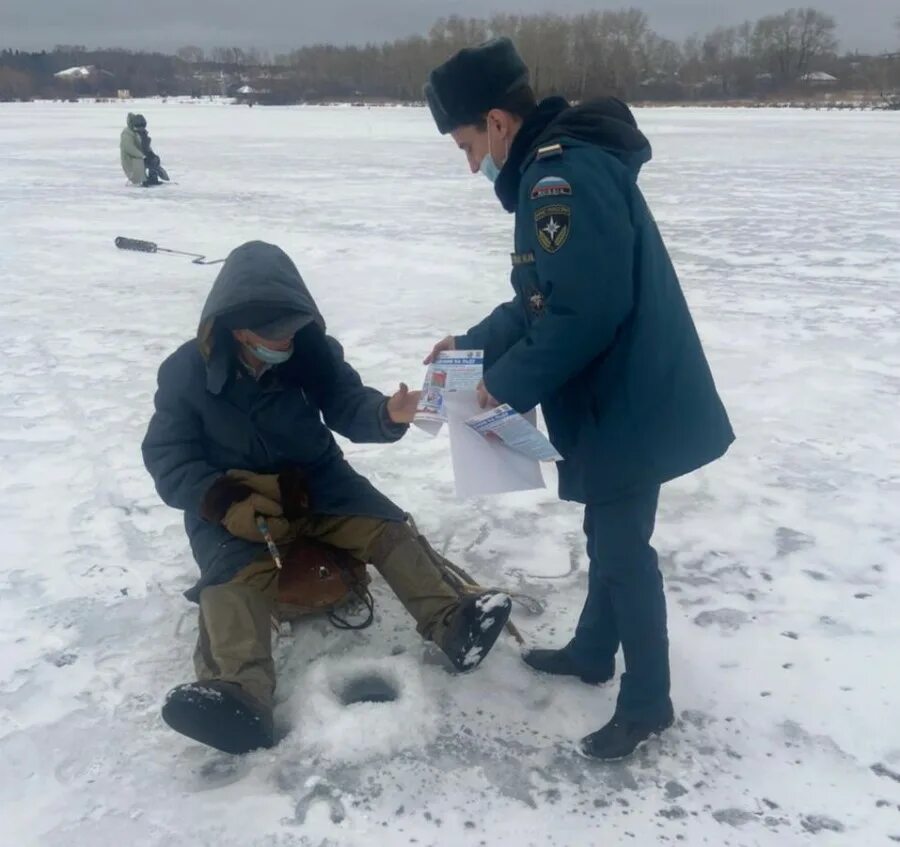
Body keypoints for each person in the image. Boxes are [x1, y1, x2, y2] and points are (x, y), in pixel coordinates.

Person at [423, 38, 734, 760]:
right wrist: (468, 347)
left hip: (627, 399)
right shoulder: (552, 167)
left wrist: (500, 386)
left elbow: (584, 315)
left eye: (469, 143)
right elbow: (538, 301)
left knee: (624, 549)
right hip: (617, 394)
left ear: (498, 122)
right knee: (609, 534)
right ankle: (595, 651)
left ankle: (648, 702)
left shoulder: (559, 176)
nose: (472, 164)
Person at [142, 240, 512, 755]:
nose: (285, 341)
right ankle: (239, 695)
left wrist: (389, 412)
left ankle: (454, 623)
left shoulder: (311, 349)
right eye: (274, 334)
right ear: (237, 328)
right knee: (230, 579)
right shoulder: (185, 373)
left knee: (388, 527)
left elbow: (344, 402)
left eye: (292, 328)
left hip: (316, 480)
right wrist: (224, 503)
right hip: (236, 498)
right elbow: (167, 456)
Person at [120, 112, 146, 186]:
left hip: (139, 156)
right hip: (130, 159)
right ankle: (138, 181)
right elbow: (128, 147)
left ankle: (151, 178)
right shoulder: (127, 133)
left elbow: (145, 145)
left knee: (153, 160)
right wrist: (141, 155)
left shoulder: (139, 132)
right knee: (139, 161)